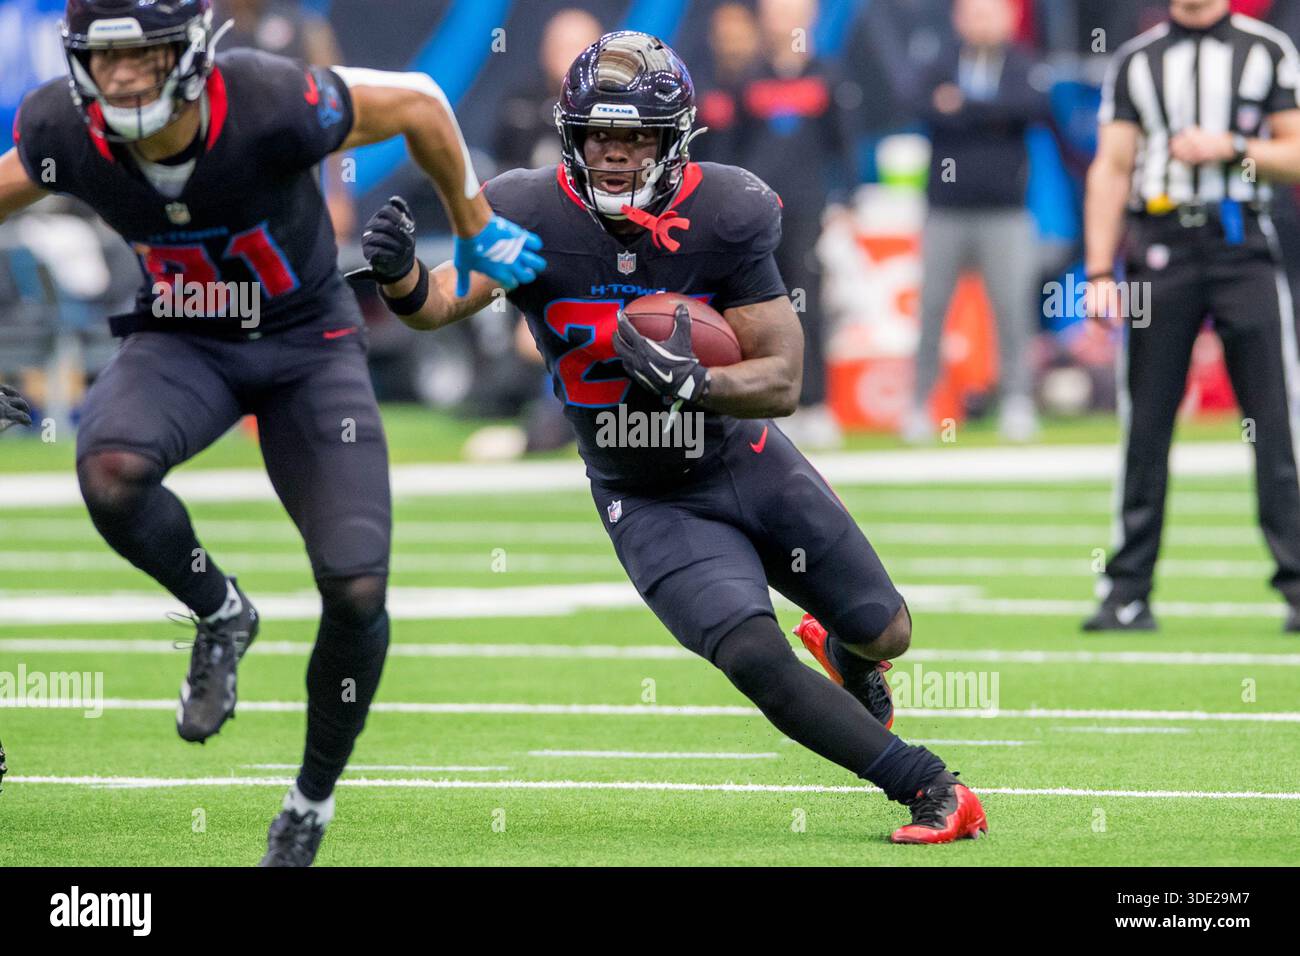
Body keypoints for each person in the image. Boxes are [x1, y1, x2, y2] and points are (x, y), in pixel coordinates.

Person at [357, 31, 988, 844]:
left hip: (742, 456)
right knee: (755, 656)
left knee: (886, 628)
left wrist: (699, 383)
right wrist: (403, 278)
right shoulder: (527, 209)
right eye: (598, 136)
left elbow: (784, 377)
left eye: (636, 137)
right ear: (571, 135)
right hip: (645, 494)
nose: (615, 155)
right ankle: (931, 787)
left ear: (674, 139)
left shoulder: (725, 211)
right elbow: (445, 301)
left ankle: (851, 649)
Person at [0, 0, 542, 864]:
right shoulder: (63, 125)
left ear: (193, 51)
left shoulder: (267, 100)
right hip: (182, 333)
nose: (124, 75)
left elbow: (421, 103)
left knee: (358, 589)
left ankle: (310, 800)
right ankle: (221, 612)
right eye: (104, 58)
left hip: (306, 347)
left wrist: (475, 228)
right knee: (107, 466)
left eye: (145, 53)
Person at [1083, 0, 1300, 631]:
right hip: (1160, 248)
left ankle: (1296, 586)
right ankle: (1127, 592)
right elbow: (1112, 167)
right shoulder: (1136, 60)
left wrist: (1232, 146)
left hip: (1243, 245)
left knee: (1274, 419)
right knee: (1145, 423)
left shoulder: (1266, 50)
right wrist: (1099, 271)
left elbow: (1295, 151)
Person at [903, 0, 1050, 444]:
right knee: (932, 309)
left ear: (1007, 19)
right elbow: (916, 103)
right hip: (946, 209)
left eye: (991, 14)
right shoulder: (941, 60)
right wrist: (992, 114)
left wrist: (965, 106)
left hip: (1005, 209)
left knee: (1011, 309)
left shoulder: (1022, 62)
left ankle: (1017, 400)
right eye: (975, 14)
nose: (982, 23)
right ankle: (919, 405)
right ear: (959, 19)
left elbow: (1033, 108)